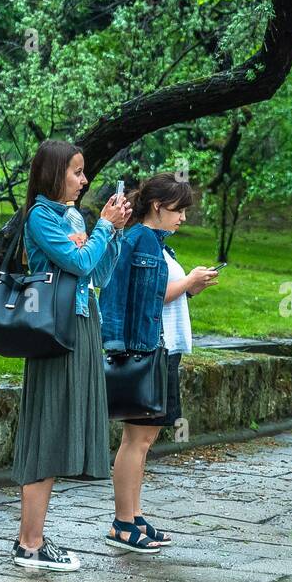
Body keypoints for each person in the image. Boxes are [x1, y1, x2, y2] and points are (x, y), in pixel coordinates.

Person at [10, 140, 130, 571]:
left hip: (80, 325)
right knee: (47, 428)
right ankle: (30, 543)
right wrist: (102, 228)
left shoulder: (73, 216)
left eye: (84, 173)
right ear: (54, 172)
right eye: (77, 172)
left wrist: (112, 234)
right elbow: (77, 262)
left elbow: (96, 272)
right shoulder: (41, 217)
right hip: (54, 330)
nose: (83, 181)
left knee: (57, 429)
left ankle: (33, 538)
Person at [100, 174, 219, 553]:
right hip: (147, 349)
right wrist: (188, 284)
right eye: (179, 209)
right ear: (157, 206)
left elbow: (155, 296)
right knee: (137, 438)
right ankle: (122, 522)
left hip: (161, 348)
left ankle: (133, 516)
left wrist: (191, 287)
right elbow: (140, 297)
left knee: (144, 438)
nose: (183, 217)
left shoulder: (156, 243)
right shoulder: (140, 240)